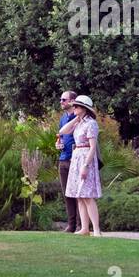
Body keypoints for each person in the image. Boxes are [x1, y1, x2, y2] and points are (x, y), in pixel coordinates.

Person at [59, 95, 103, 236]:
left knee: (87, 195)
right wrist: (76, 120)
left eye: (77, 106)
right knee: (79, 195)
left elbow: (92, 147)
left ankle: (96, 229)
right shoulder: (79, 122)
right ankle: (84, 228)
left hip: (85, 158)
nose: (74, 108)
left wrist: (85, 165)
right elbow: (63, 131)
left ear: (84, 108)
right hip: (76, 156)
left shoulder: (91, 124)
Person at [54, 91, 80, 233]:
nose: (61, 102)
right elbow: (62, 137)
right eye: (60, 99)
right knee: (67, 193)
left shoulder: (79, 117)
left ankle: (82, 225)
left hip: (76, 160)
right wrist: (59, 144)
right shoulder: (63, 118)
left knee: (79, 194)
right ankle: (71, 225)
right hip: (63, 159)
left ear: (72, 101)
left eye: (64, 99)